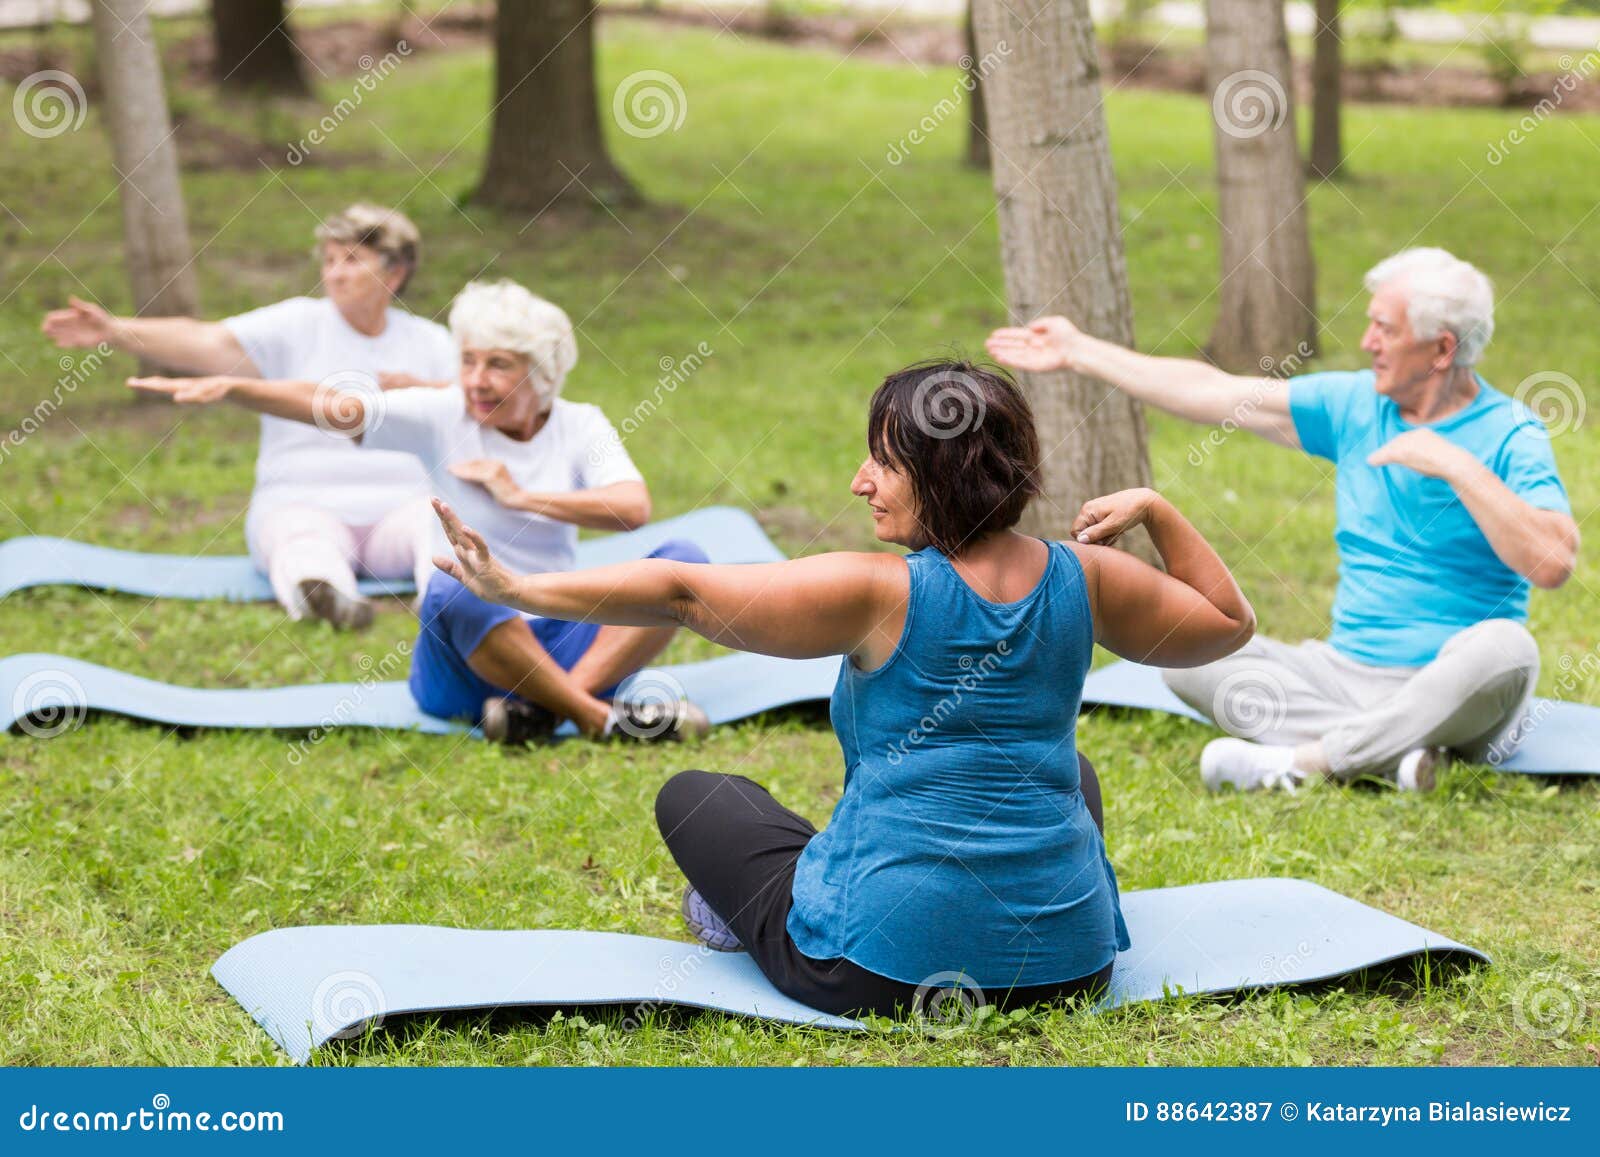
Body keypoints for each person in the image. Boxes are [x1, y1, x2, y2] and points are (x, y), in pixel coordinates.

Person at [430, 359, 1254, 1018]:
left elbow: (680, 592)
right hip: (1071, 971)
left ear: (944, 472)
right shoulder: (1090, 577)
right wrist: (1157, 510)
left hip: (881, 972)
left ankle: (751, 917)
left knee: (699, 796)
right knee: (1072, 777)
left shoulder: (878, 591)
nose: (862, 481)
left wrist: (518, 589)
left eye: (885, 463)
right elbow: (1229, 621)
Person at [988, 247, 1578, 794]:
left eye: (1386, 329)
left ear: (1442, 349)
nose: (1368, 341)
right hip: (1343, 674)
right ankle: (1399, 751)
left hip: (1456, 680)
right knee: (1186, 655)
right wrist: (1080, 350)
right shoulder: (1357, 404)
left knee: (1508, 649)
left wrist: (1456, 466)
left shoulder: (1511, 432)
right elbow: (1214, 391)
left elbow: (1553, 563)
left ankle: (1306, 762)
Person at [126, 280, 710, 745]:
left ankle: (545, 709)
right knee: (454, 584)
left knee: (683, 561)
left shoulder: (581, 425)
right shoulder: (441, 413)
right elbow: (333, 404)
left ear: (542, 372)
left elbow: (632, 507)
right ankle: (594, 716)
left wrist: (520, 497)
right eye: (468, 361)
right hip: (465, 663)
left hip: (558, 633)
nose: (476, 380)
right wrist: (235, 388)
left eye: (498, 365)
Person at [43, 203, 455, 629]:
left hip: (401, 504)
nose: (334, 274)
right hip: (304, 501)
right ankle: (325, 595)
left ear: (394, 273)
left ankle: (445, 601)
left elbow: (475, 409)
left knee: (437, 528)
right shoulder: (296, 322)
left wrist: (425, 390)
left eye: (352, 261)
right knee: (299, 539)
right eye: (329, 260)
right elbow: (206, 340)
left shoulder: (432, 342)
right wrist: (114, 331)